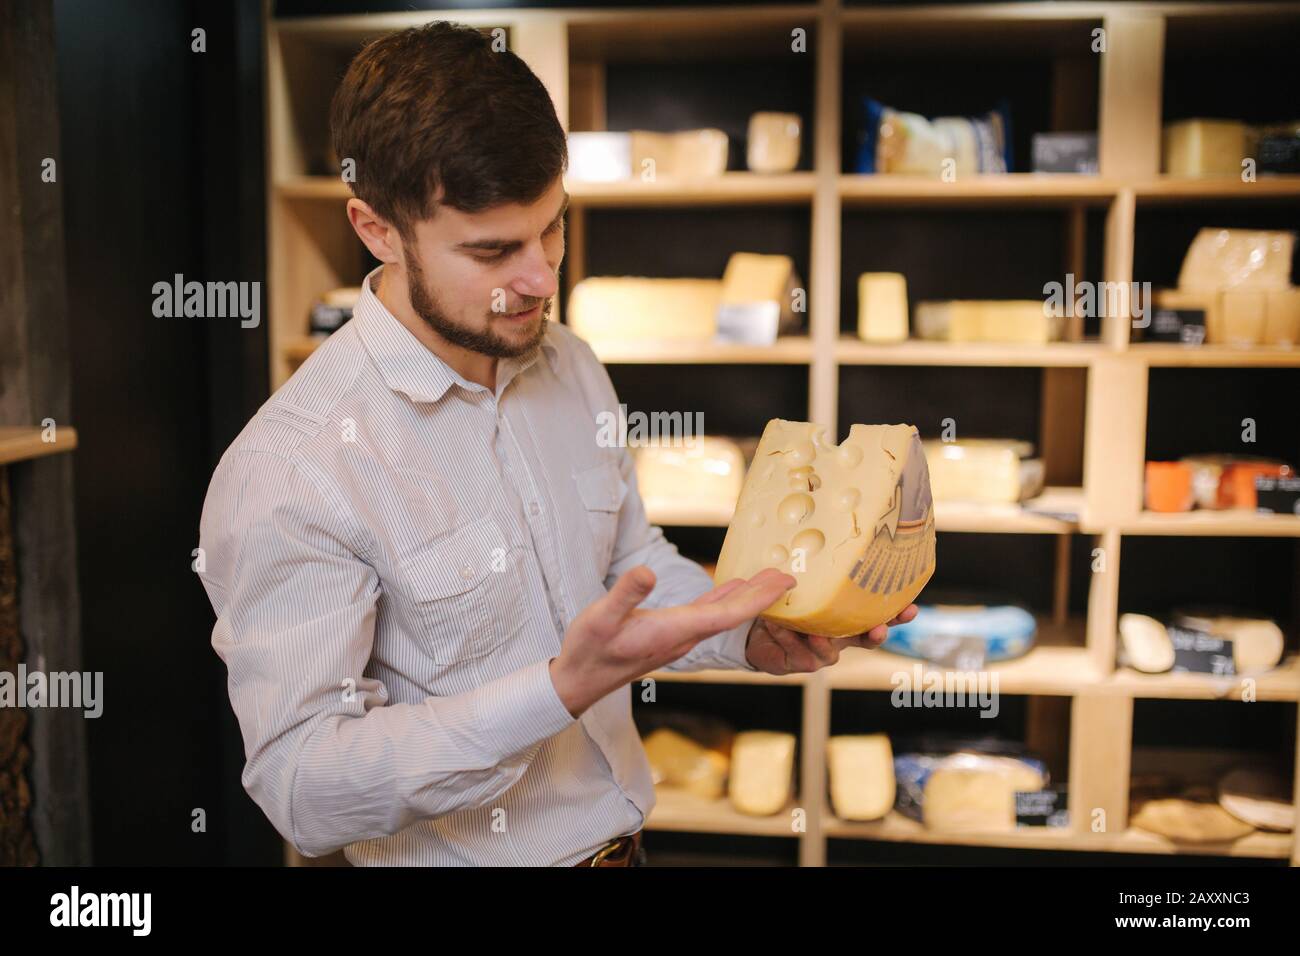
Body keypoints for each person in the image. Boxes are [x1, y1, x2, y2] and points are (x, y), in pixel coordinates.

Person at [198, 21, 916, 867]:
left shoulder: (566, 360)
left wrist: (749, 629)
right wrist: (555, 691)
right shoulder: (293, 467)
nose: (542, 277)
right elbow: (303, 786)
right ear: (377, 229)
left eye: (553, 228)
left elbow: (627, 565)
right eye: (494, 249)